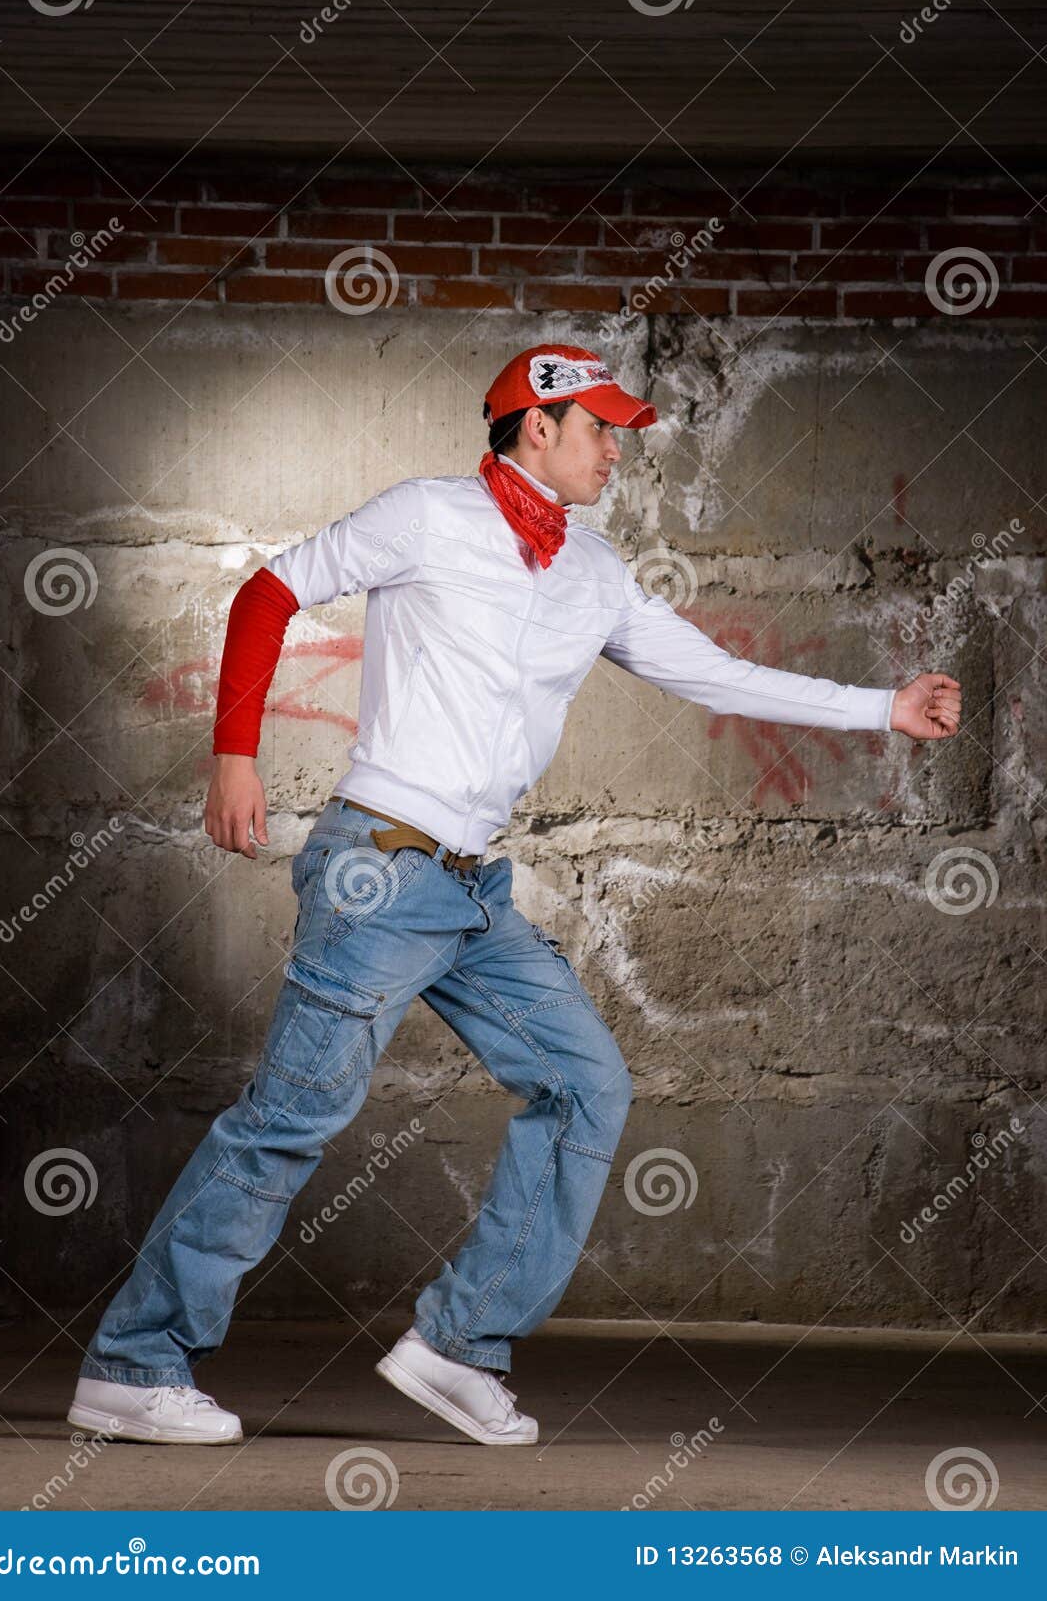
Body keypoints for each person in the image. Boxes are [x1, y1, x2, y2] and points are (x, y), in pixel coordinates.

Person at [67, 343, 962, 1447]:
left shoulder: (593, 571)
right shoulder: (427, 516)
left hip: (476, 891)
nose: (616, 452)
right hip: (380, 867)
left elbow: (713, 671)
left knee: (589, 1086)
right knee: (294, 1119)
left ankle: (459, 1343)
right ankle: (135, 1359)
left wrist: (883, 709)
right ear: (536, 426)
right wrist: (234, 756)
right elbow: (269, 591)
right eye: (600, 429)